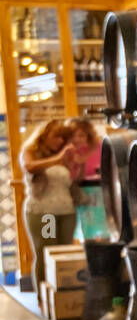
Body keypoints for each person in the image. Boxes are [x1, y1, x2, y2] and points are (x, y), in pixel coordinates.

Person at [19, 120, 79, 289]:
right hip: (45, 214)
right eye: (56, 136)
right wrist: (57, 159)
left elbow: (73, 181)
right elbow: (29, 167)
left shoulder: (62, 155)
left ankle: (62, 296)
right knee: (46, 252)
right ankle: (43, 296)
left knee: (64, 254)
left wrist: (74, 162)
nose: (60, 141)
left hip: (66, 213)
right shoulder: (30, 152)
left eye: (63, 138)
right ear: (44, 135)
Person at [65, 117, 101, 182]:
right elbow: (73, 182)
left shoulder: (100, 147)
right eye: (72, 135)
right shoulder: (65, 152)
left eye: (81, 135)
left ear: (88, 136)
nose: (76, 139)